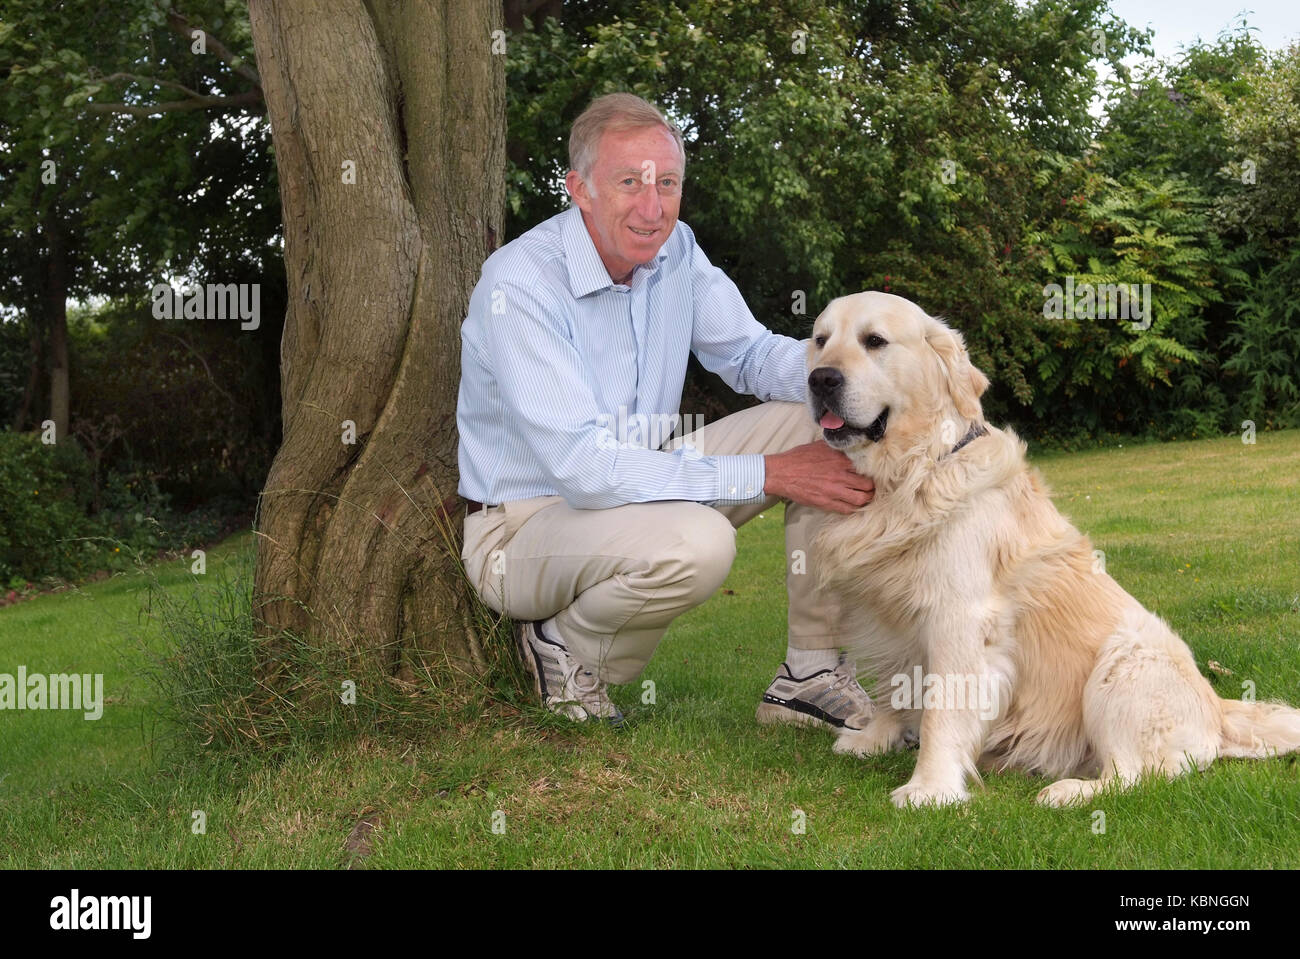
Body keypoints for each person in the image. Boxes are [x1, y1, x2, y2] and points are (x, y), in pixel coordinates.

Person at [457, 92, 875, 730]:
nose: (653, 209)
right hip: (523, 527)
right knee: (699, 544)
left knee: (818, 419)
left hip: (639, 484)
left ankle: (809, 676)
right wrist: (765, 474)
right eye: (630, 182)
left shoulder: (675, 250)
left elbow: (751, 354)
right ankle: (562, 651)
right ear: (580, 189)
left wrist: (868, 380)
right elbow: (586, 471)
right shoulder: (521, 284)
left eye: (668, 184)